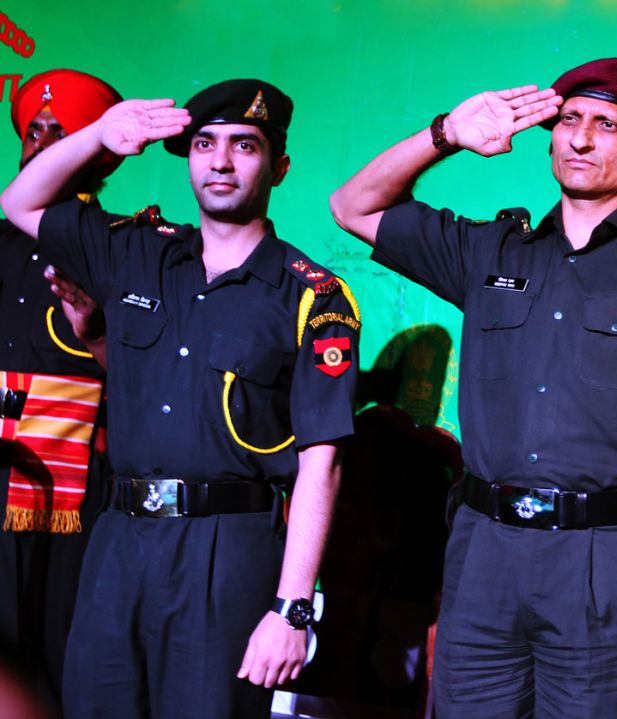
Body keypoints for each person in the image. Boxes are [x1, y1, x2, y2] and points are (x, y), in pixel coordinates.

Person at [330, 58, 617, 719]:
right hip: (483, 556)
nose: (581, 138)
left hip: (605, 567)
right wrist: (444, 133)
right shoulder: (494, 249)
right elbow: (353, 206)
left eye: (607, 125)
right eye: (568, 120)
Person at [0, 78, 360, 717]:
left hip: (227, 548)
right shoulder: (134, 249)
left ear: (278, 166)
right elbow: (20, 201)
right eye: (204, 144)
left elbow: (321, 462)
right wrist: (97, 137)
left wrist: (292, 608)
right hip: (118, 541)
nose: (220, 162)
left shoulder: (313, 295)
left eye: (243, 146)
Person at [0, 68, 118, 710]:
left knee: (56, 646)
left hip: (76, 485)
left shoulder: (123, 247)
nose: (40, 144)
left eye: (60, 132)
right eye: (33, 130)